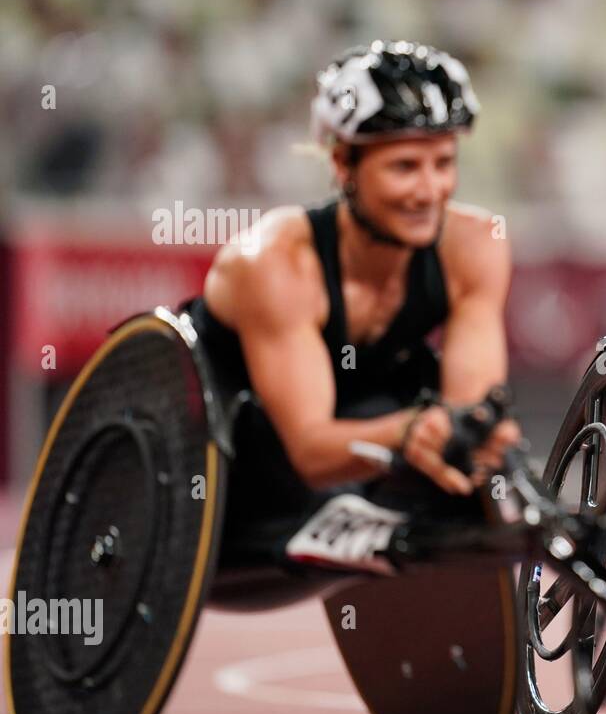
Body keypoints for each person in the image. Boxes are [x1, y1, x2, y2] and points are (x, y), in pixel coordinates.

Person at [183, 39, 519, 577]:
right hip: (233, 463)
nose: (430, 190)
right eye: (406, 166)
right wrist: (413, 431)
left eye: (443, 162)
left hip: (359, 437)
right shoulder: (272, 263)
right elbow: (312, 452)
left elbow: (465, 412)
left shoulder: (476, 245)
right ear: (343, 163)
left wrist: (471, 434)